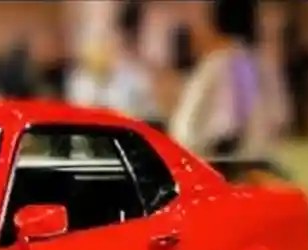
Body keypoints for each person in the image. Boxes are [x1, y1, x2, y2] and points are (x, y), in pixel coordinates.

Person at [168, 0, 289, 158]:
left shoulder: (215, 67)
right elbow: (279, 117)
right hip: (259, 161)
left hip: (218, 164)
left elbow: (187, 129)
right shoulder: (264, 66)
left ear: (214, 22)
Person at [66, 36, 156, 121]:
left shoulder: (128, 76)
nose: (101, 55)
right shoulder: (80, 82)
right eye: (98, 51)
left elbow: (142, 108)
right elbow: (82, 112)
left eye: (105, 49)